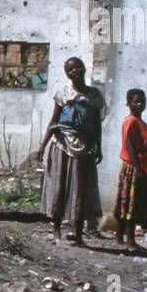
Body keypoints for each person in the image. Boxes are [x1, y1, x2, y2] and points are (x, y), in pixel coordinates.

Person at [37, 57, 105, 247]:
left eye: (78, 67)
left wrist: (99, 146)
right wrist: (42, 146)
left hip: (84, 146)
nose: (75, 71)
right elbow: (54, 121)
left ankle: (79, 233)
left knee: (81, 189)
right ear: (67, 73)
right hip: (62, 144)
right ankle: (56, 228)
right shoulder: (63, 94)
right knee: (59, 186)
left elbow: (97, 124)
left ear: (84, 69)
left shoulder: (94, 96)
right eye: (70, 69)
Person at [113, 88, 147, 250]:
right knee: (128, 205)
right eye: (135, 101)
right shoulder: (131, 121)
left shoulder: (141, 123)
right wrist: (138, 168)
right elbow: (129, 145)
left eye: (142, 101)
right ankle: (127, 239)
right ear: (128, 103)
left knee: (132, 204)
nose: (139, 104)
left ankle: (125, 238)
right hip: (133, 168)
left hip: (142, 168)